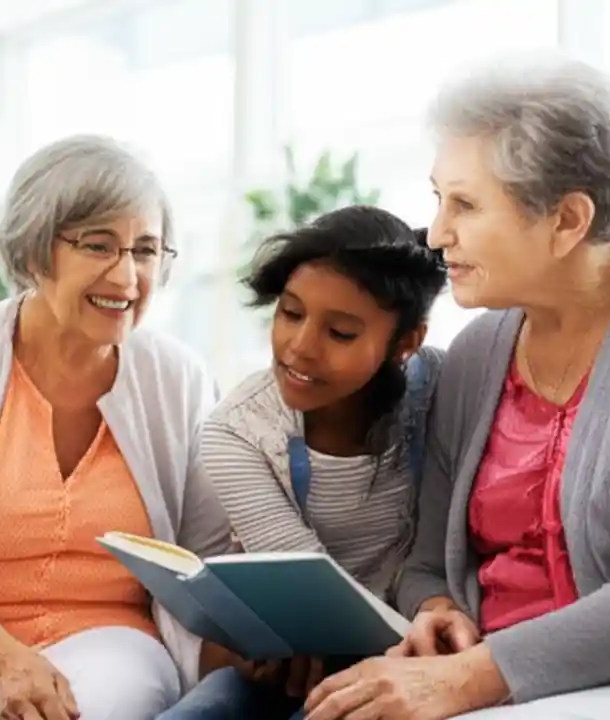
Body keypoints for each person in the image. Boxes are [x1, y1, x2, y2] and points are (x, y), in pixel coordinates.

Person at [304, 55, 610, 720]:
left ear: (567, 221)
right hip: (489, 684)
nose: (437, 234)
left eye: (464, 204)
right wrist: (436, 612)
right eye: (440, 199)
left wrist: (470, 677)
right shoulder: (476, 353)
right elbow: (429, 563)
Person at [0, 135, 234, 720]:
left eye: (145, 250)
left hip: (112, 641)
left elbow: (204, 559)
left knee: (105, 704)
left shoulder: (177, 378)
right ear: (37, 252)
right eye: (99, 246)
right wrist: (5, 656)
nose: (127, 276)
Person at [159, 207, 448, 719]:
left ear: (405, 344)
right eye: (290, 313)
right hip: (297, 651)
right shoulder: (238, 432)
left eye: (340, 333)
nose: (299, 347)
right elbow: (318, 600)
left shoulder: (441, 392)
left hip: (408, 655)